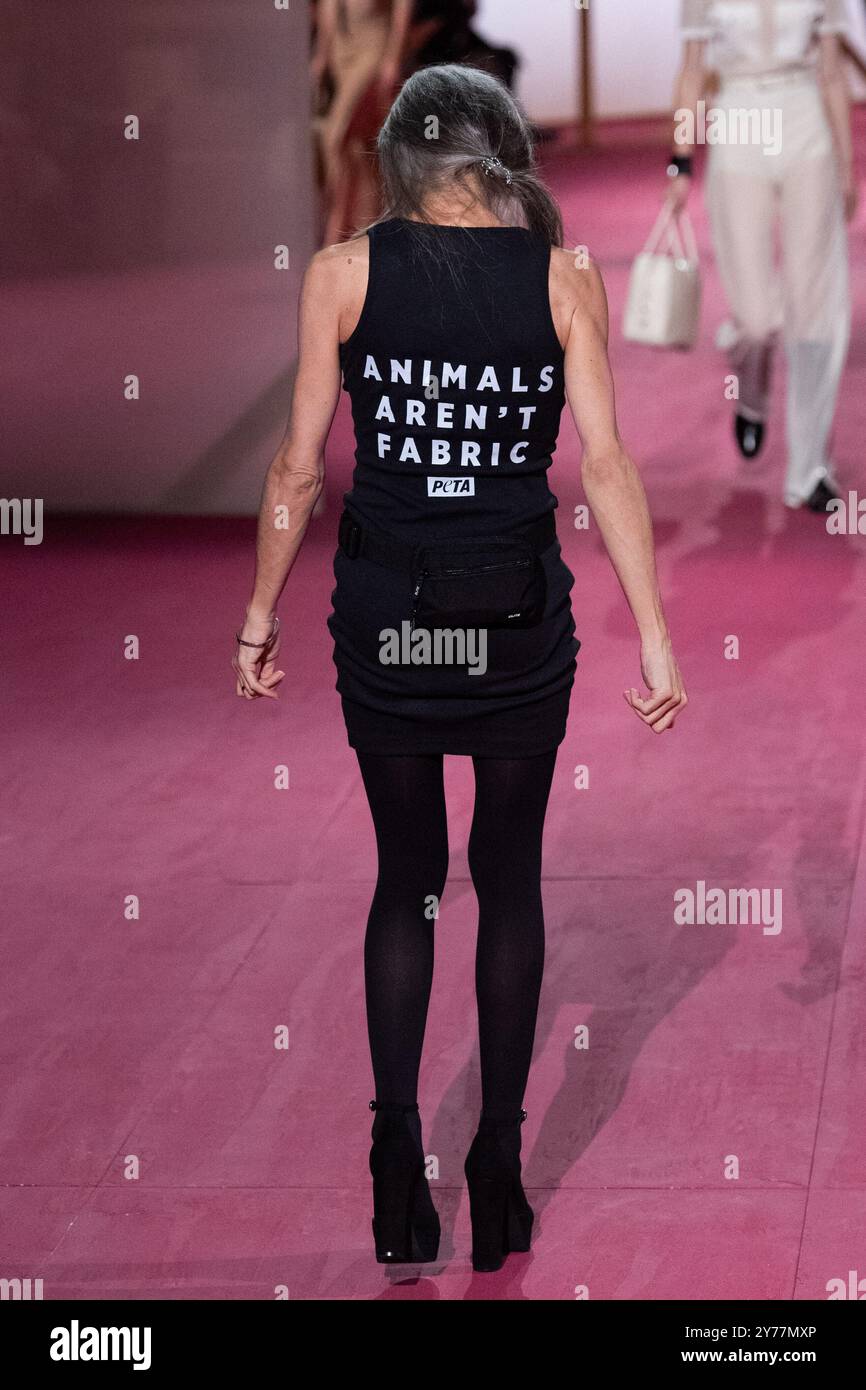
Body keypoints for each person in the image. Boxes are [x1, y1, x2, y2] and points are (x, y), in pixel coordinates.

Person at [234, 65, 687, 1273]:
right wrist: (651, 629)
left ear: (400, 160)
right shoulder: (561, 276)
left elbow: (294, 472)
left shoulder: (340, 274)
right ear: (502, 158)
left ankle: (393, 1157)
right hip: (513, 626)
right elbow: (604, 466)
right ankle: (495, 1160)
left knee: (405, 881)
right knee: (509, 880)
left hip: (388, 620)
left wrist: (257, 616)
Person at [669, 0, 857, 511]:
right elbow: (691, 70)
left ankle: (810, 469)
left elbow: (833, 71)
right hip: (738, 123)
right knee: (755, 320)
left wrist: (846, 164)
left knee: (815, 310)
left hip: (805, 124)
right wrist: (679, 162)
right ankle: (751, 397)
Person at [312, 0, 414, 245]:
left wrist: (393, 58)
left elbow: (402, 7)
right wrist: (321, 59)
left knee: (336, 138)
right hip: (342, 52)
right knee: (360, 152)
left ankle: (334, 231)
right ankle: (373, 225)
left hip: (373, 50)